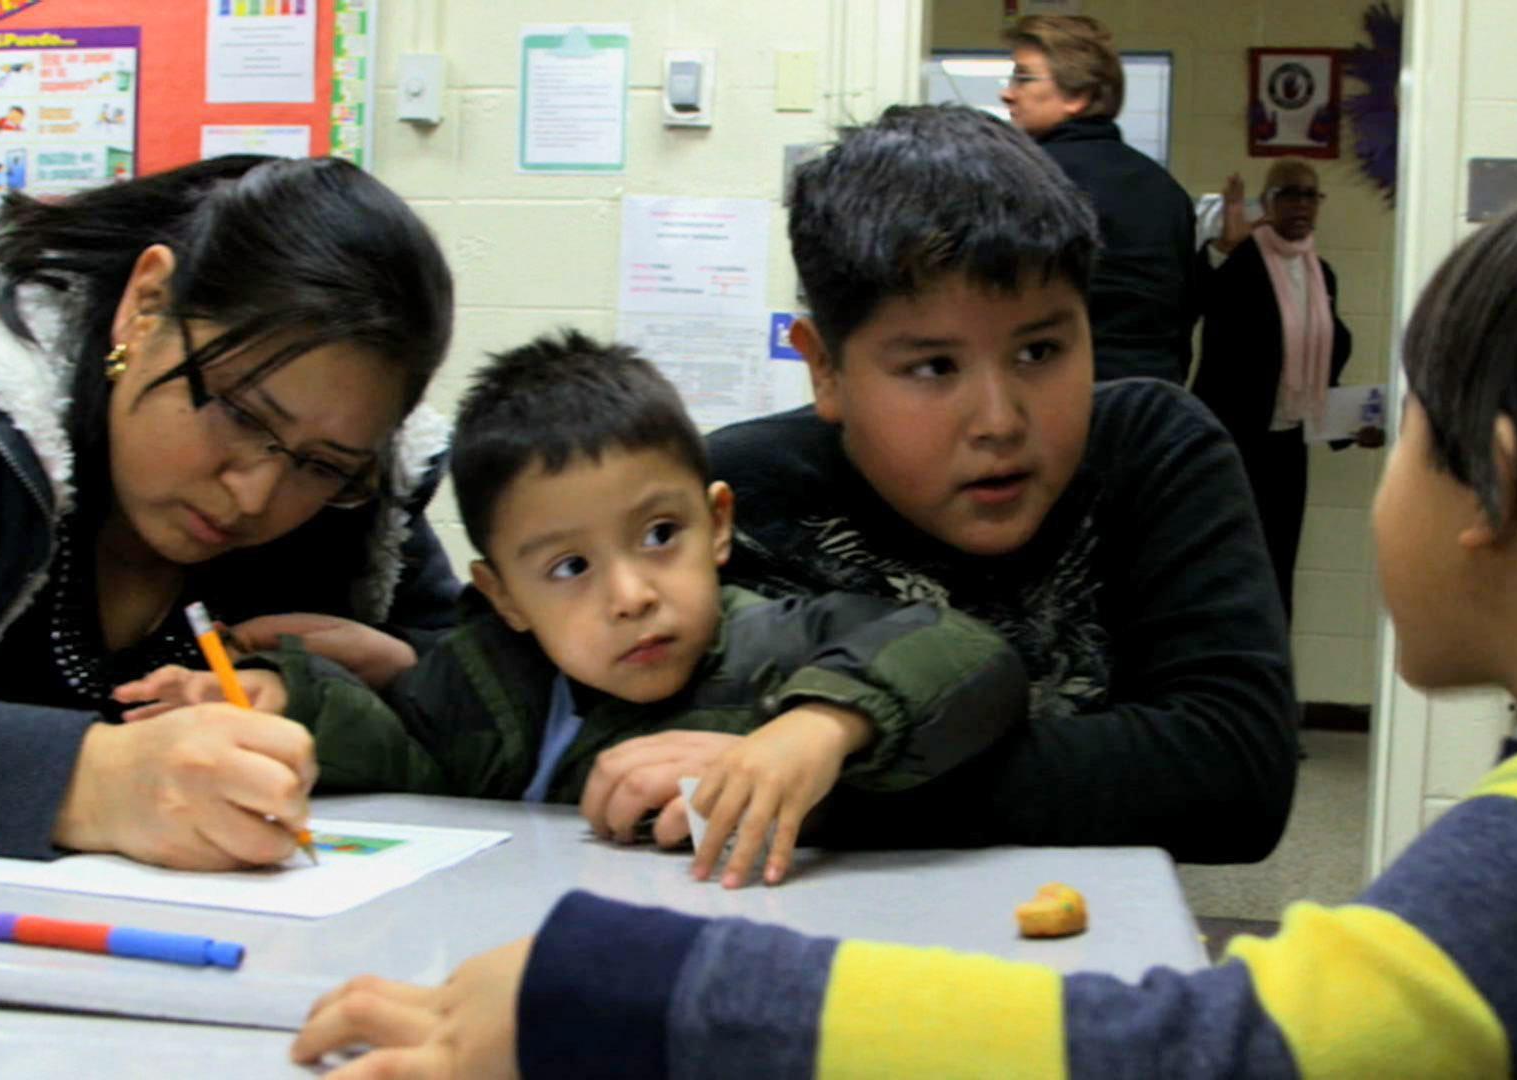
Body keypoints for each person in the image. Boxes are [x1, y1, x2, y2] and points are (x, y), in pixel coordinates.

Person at [292, 155, 1517, 1079]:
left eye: (1399, 423)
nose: (999, 418)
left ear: (1490, 488)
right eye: (930, 366)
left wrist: (627, 1001)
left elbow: (1209, 1050)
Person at [580, 104, 1296, 862]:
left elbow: (1235, 777)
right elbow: (625, 758)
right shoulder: (731, 501)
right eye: (932, 368)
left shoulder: (1156, 451)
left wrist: (825, 781)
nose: (998, 421)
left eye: (1041, 351)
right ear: (824, 367)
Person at [124, 330, 1029, 888]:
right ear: (503, 598)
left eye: (660, 535)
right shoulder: (490, 678)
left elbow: (969, 654)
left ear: (718, 524)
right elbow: (401, 746)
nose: (631, 595)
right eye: (568, 567)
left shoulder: (781, 644)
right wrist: (283, 697)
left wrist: (817, 732)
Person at [0, 154, 460, 869]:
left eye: (320, 467)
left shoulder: (364, 487)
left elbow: (484, 689)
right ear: (147, 303)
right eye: (239, 411)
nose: (255, 496)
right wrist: (93, 780)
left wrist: (374, 683)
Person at [1190, 159, 1369, 620]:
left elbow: (1318, 368)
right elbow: (1200, 300)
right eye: (1289, 193)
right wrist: (1223, 249)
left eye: (1311, 195)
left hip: (1288, 446)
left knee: (1277, 568)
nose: (1301, 204)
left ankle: (1272, 683)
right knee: (1226, 565)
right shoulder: (1242, 264)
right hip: (1233, 442)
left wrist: (1352, 427)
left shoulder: (1322, 275)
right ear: (1267, 204)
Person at [1000, 14, 1198, 384]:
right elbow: (1185, 314)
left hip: (1055, 399)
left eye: (1023, 78)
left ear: (1079, 95)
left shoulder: (1023, 180)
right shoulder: (1167, 191)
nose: (1008, 92)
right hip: (1153, 403)